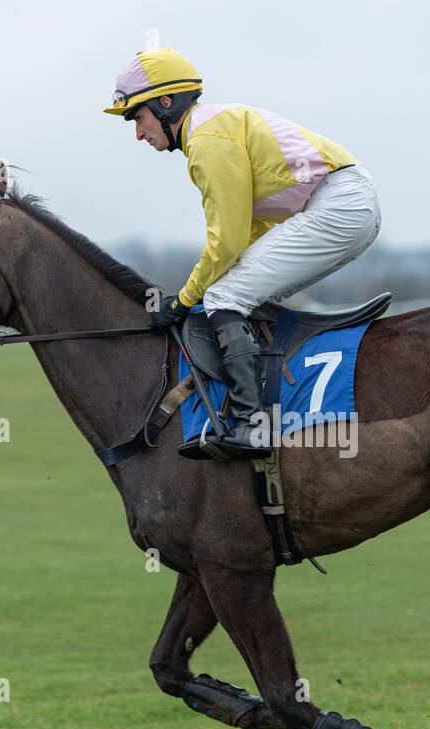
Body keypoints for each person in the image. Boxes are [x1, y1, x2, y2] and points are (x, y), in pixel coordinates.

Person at [104, 47, 381, 459]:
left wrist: (184, 299)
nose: (139, 133)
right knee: (238, 292)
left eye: (138, 118)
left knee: (223, 296)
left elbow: (226, 241)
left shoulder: (207, 142)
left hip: (340, 206)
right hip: (345, 204)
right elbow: (249, 232)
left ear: (165, 103)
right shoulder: (213, 130)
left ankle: (254, 426)